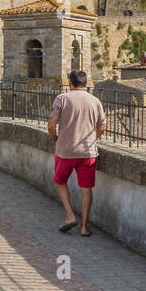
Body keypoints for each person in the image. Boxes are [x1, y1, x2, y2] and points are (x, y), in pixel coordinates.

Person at [48, 69, 105, 237]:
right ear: (86, 84)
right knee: (86, 188)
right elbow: (102, 127)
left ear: (69, 83)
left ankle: (70, 215)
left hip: (65, 150)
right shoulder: (95, 101)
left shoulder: (62, 99)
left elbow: (51, 124)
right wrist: (92, 139)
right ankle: (84, 227)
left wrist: (56, 140)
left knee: (59, 181)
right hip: (88, 152)